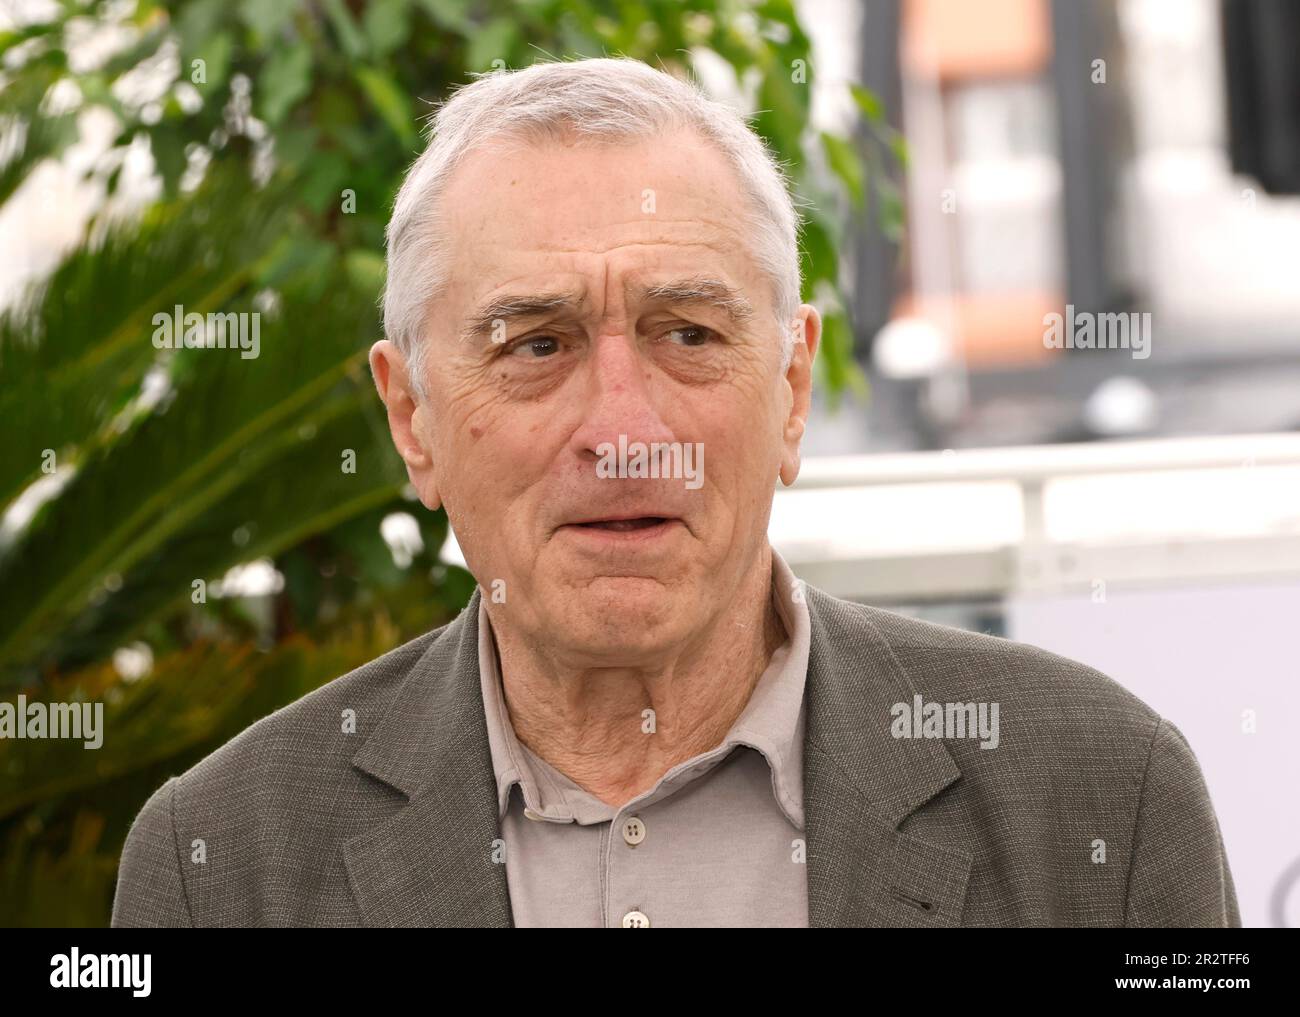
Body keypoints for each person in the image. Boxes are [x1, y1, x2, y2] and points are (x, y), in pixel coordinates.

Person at [112, 57, 1238, 928]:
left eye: (688, 334)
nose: (624, 435)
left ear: (791, 388)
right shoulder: (225, 864)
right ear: (412, 419)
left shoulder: (1101, 796)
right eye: (536, 344)